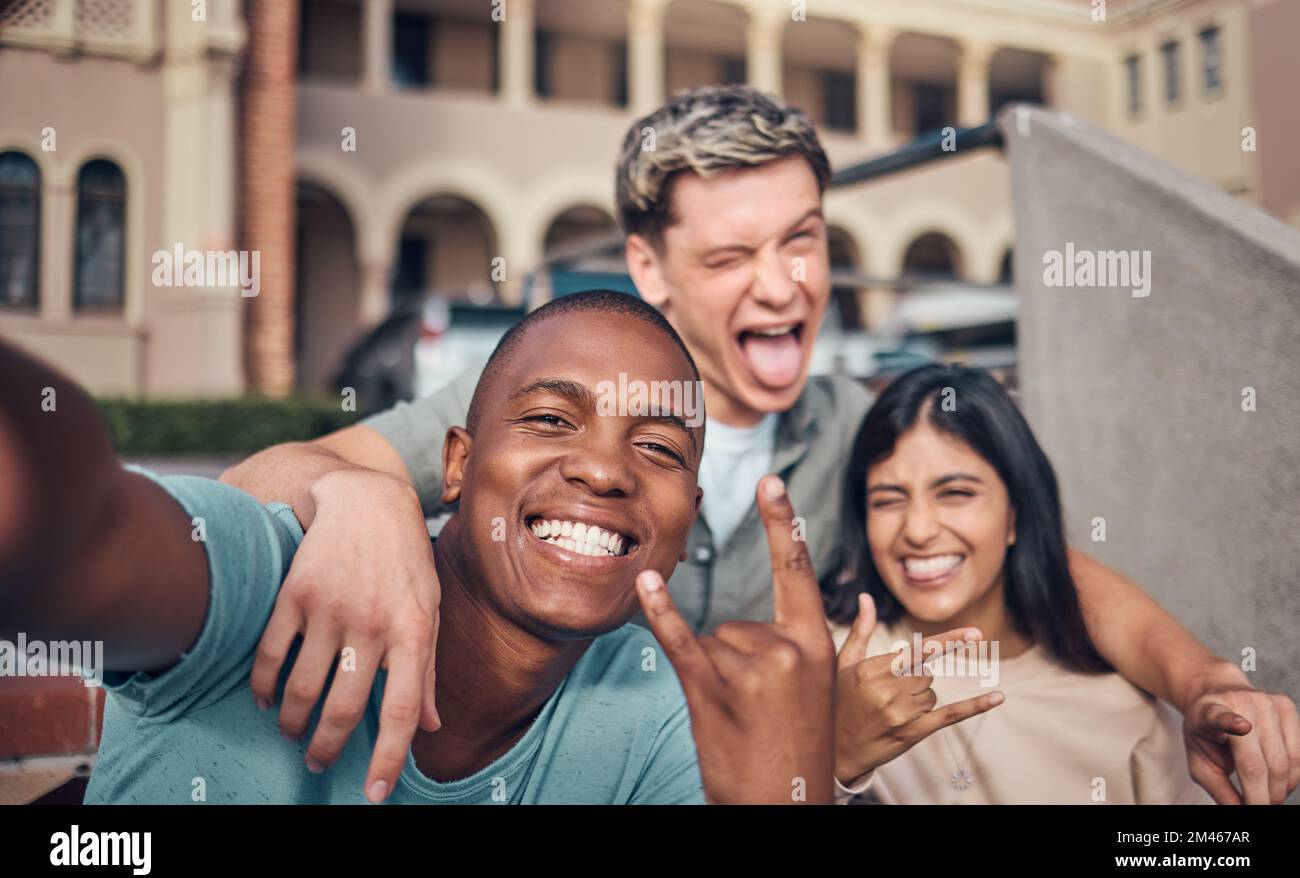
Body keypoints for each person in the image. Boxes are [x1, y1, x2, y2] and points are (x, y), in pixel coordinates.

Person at [221, 85, 1300, 805]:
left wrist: (1205, 681)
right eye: (734, 254)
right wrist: (360, 499)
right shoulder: (540, 409)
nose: (782, 284)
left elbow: (1046, 561)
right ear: (650, 269)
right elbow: (262, 481)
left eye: (802, 239)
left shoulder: (852, 431)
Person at [0, 292, 835, 805]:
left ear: (684, 523)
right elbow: (77, 529)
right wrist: (347, 485)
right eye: (550, 418)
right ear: (457, 467)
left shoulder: (654, 710)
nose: (603, 468)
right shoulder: (282, 576)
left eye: (657, 448)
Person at [830, 365, 1233, 803]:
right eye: (888, 500)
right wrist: (839, 757)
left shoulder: (1121, 713)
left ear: (1016, 515)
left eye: (956, 493)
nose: (919, 530)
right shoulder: (838, 668)